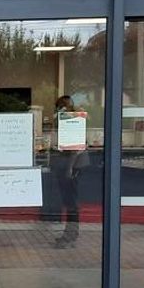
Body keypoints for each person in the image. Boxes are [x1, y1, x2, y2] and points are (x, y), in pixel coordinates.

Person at [51, 95, 82, 248]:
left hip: (72, 167)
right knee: (70, 202)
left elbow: (75, 149)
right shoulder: (71, 120)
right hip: (69, 165)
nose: (57, 111)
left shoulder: (72, 121)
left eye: (59, 108)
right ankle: (70, 234)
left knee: (71, 202)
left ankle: (70, 236)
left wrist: (69, 168)